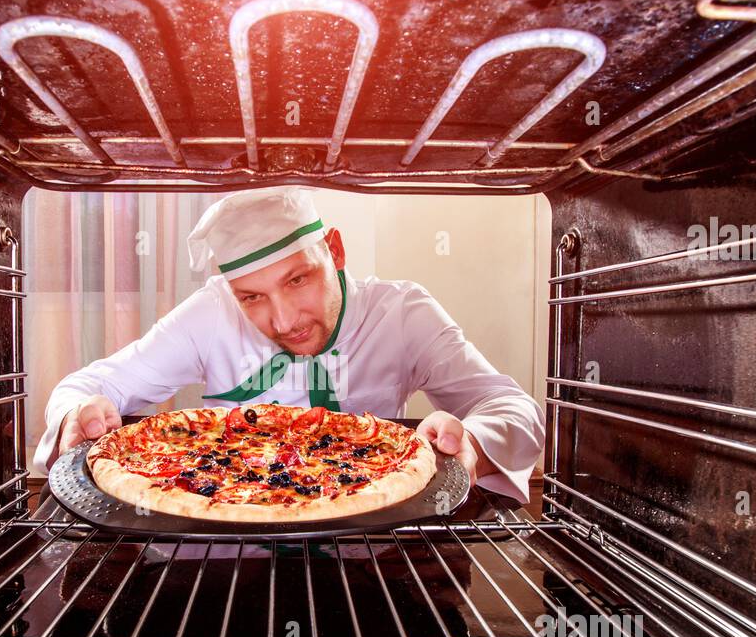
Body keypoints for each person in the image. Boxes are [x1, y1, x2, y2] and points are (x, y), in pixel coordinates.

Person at [34, 187, 545, 503]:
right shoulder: (212, 311)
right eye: (252, 297)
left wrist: (471, 444)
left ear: (336, 251)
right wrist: (81, 413)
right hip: (226, 542)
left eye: (299, 280)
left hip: (368, 544)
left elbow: (512, 408)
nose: (281, 320)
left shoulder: (403, 312)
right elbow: (90, 386)